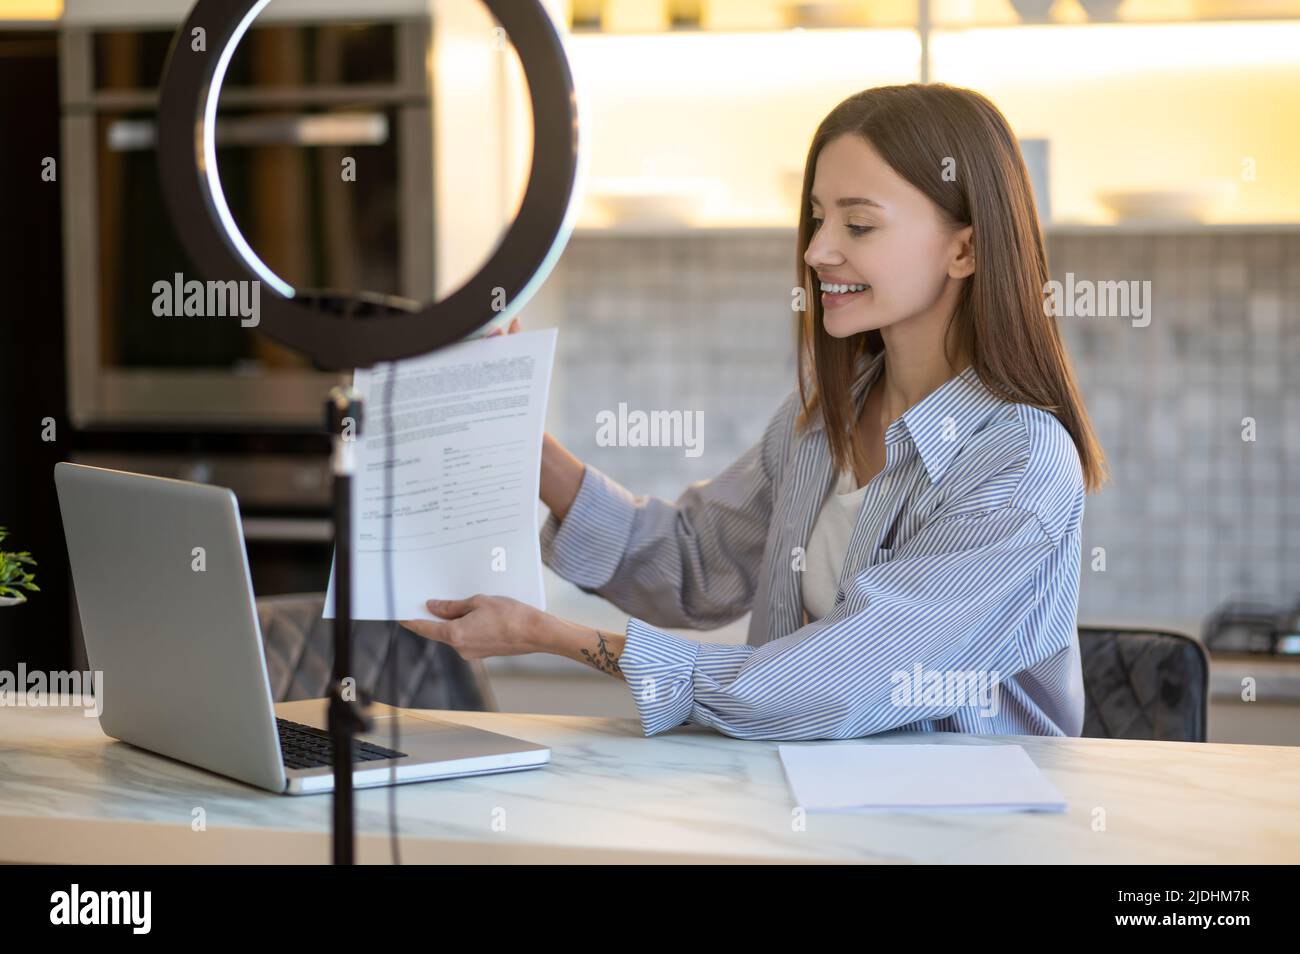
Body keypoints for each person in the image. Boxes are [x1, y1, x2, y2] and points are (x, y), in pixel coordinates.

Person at [400, 83, 1108, 741]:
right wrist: (519, 443)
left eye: (859, 225)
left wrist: (555, 637)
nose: (817, 250)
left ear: (965, 249)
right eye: (818, 218)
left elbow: (827, 686)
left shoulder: (1020, 464)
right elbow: (691, 566)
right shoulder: (818, 424)